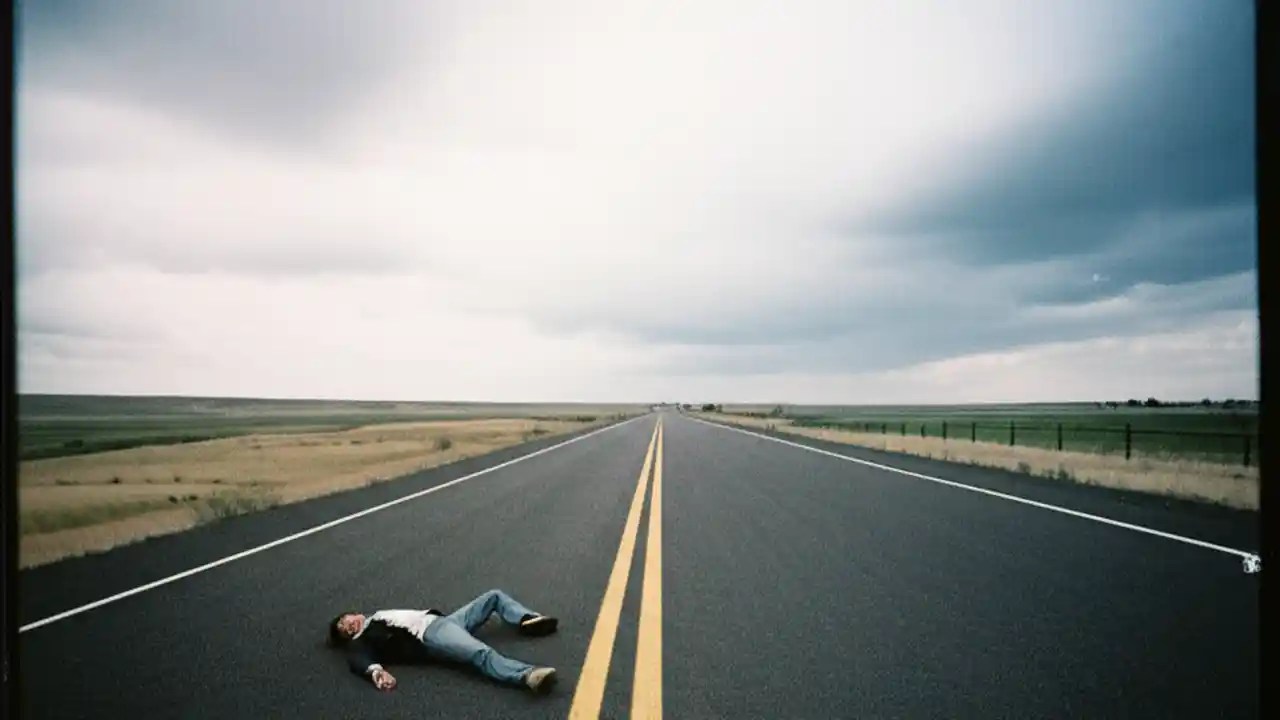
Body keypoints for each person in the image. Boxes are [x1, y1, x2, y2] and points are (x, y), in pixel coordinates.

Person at [327, 589, 560, 694]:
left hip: (444, 621)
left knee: (493, 596)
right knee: (479, 653)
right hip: (431, 635)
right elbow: (358, 659)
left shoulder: (375, 616)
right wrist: (375, 672)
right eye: (344, 630)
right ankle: (527, 675)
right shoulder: (360, 640)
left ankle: (527, 619)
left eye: (344, 620)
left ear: (353, 613)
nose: (347, 626)